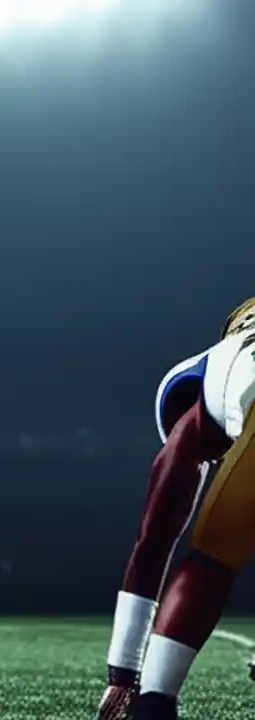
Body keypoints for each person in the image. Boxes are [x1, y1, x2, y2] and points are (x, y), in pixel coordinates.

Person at [98, 297, 255, 720]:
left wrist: (123, 674)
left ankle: (154, 703)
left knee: (212, 558)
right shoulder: (228, 364)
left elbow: (153, 544)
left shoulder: (195, 407)